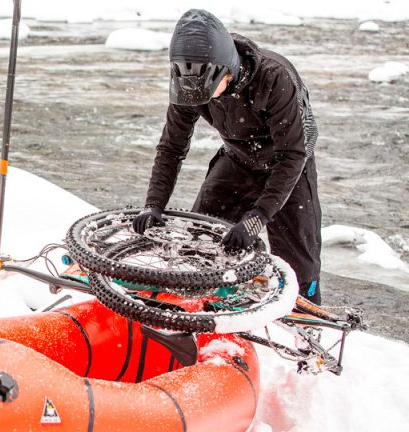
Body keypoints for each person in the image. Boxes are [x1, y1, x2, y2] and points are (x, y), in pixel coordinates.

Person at [132, 9, 322, 304]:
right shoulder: (189, 81)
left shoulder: (274, 77)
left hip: (289, 165)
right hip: (238, 158)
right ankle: (203, 304)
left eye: (205, 89)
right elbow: (171, 148)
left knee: (300, 264)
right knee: (201, 240)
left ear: (226, 70)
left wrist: (257, 217)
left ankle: (306, 323)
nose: (197, 95)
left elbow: (292, 154)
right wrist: (154, 204)